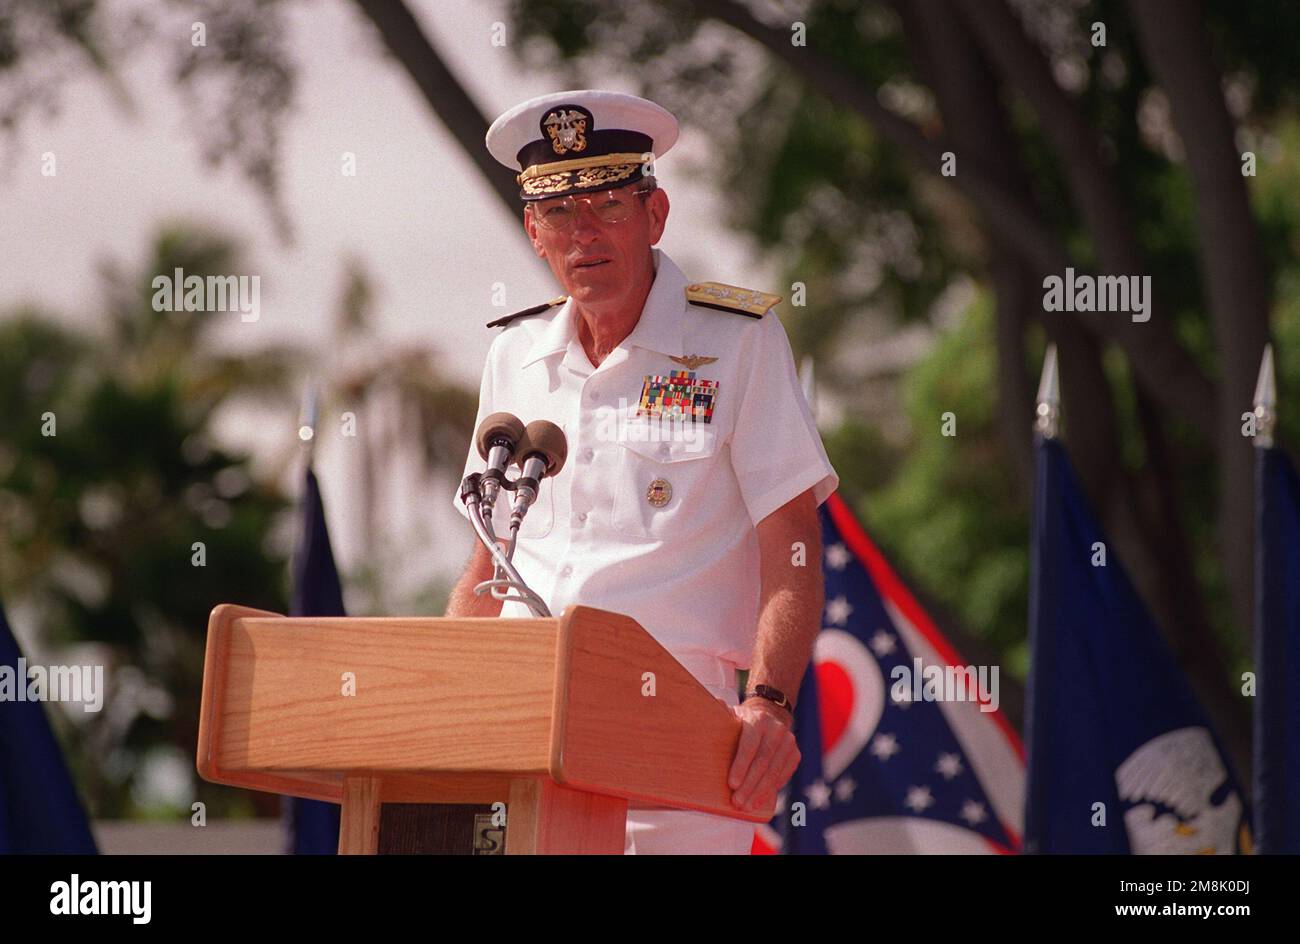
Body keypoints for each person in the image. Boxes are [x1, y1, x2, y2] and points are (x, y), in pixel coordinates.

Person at [446, 90, 839, 854]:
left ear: (654, 215)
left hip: (677, 732)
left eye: (607, 205)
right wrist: (444, 704)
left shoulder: (737, 342)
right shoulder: (512, 356)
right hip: (523, 731)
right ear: (534, 230)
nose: (583, 232)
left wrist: (769, 704)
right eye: (559, 213)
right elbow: (486, 561)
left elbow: (791, 547)